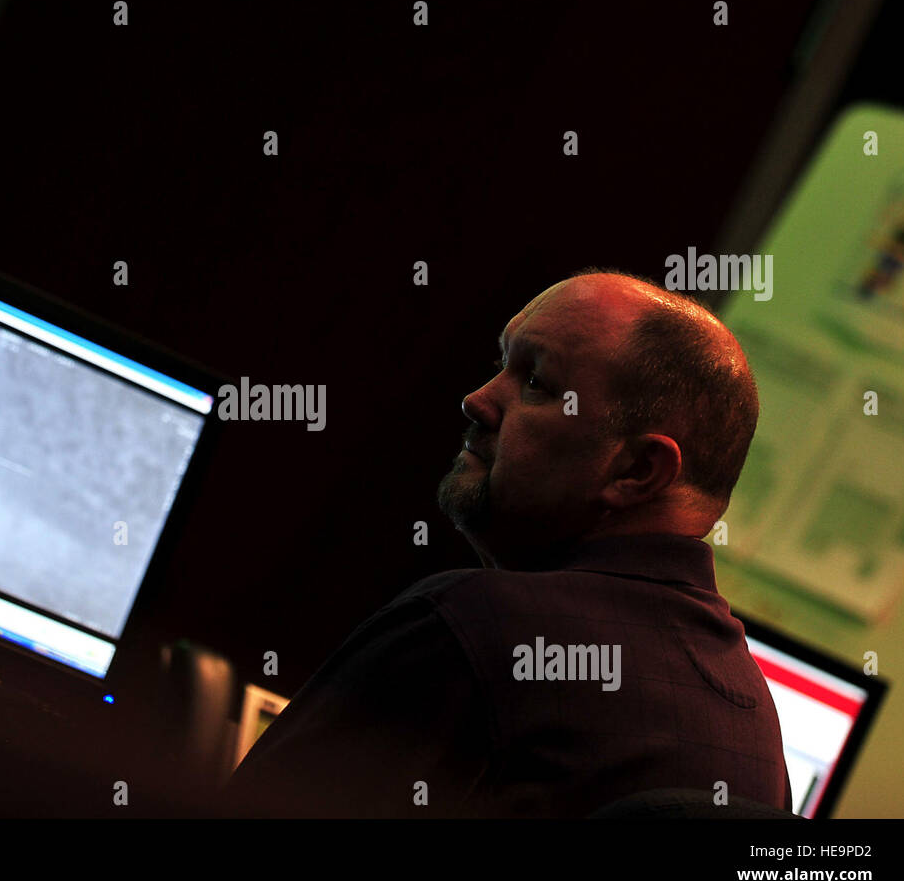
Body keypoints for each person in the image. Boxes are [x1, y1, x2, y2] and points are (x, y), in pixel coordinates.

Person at [218, 270, 792, 818]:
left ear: (638, 470)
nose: (478, 399)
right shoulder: (754, 725)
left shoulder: (470, 627)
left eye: (537, 383)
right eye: (501, 363)